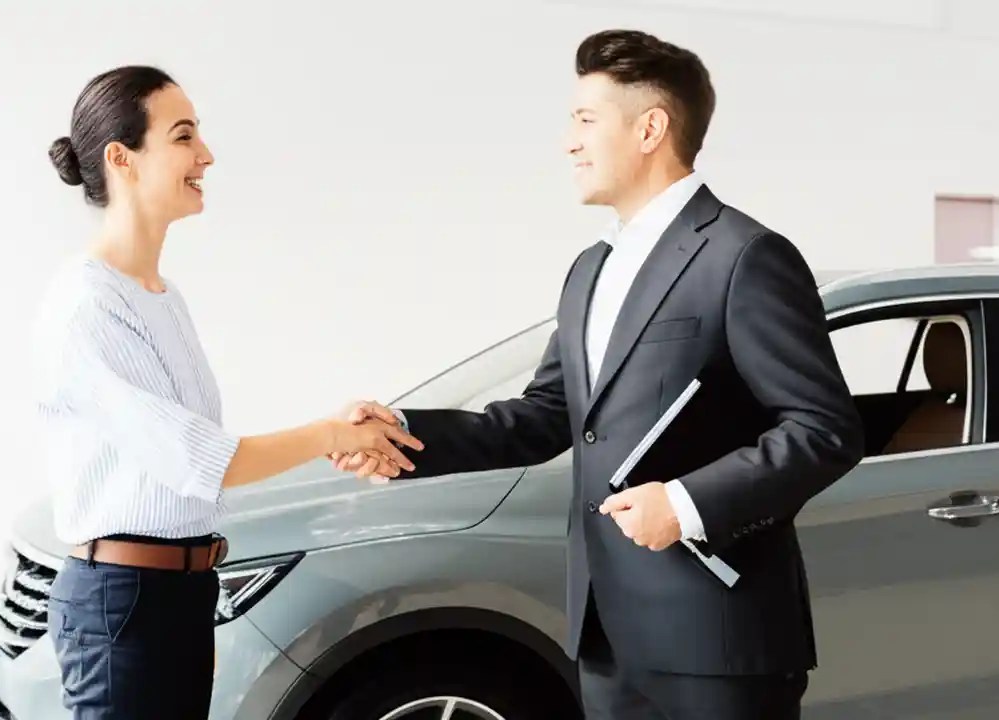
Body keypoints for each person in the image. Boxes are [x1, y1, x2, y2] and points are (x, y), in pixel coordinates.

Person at [332, 30, 864, 720]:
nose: (568, 142)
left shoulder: (746, 256)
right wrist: (403, 433)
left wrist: (686, 503)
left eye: (585, 120)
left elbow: (825, 429)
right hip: (606, 633)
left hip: (715, 635)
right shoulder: (591, 268)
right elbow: (549, 414)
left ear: (650, 128)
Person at [31, 65, 422, 719]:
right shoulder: (88, 306)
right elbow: (200, 460)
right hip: (123, 603)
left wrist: (339, 430)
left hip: (178, 595)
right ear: (122, 159)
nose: (205, 155)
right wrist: (332, 434)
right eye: (183, 136)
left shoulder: (158, 296)